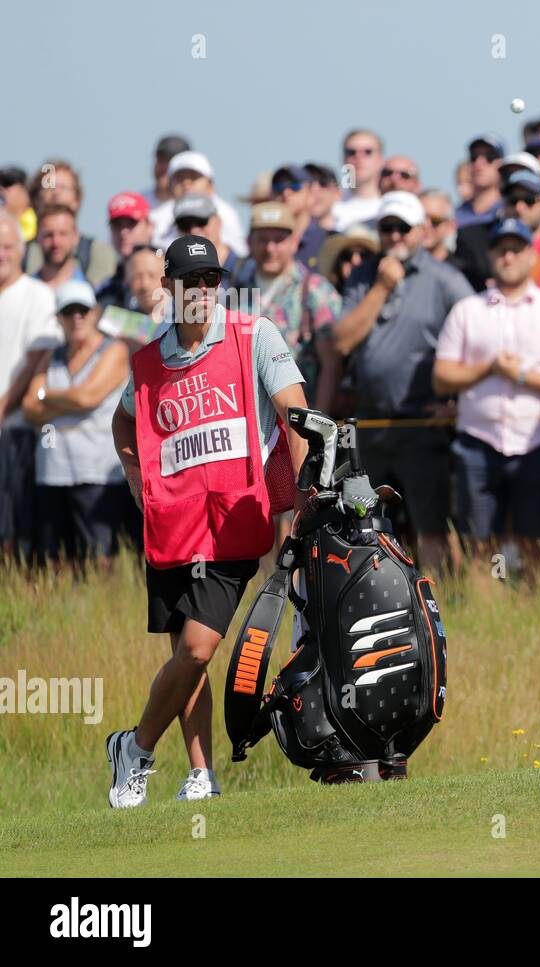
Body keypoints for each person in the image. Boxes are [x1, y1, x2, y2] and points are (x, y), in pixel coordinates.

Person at [106, 234, 310, 807]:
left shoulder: (253, 335)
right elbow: (124, 426)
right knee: (186, 655)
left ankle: (135, 747)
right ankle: (200, 773)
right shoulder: (149, 360)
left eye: (210, 280)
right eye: (189, 280)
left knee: (198, 647)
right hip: (172, 523)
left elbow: (296, 415)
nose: (200, 290)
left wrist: (298, 504)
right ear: (167, 287)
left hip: (232, 520)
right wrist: (134, 478)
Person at [332, 191, 475, 574]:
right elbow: (342, 339)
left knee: (431, 525)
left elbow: (479, 336)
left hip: (422, 424)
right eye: (387, 227)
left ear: (424, 232)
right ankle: (378, 598)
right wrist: (381, 287)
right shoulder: (365, 277)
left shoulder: (445, 279)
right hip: (371, 422)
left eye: (403, 228)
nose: (395, 236)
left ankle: (436, 602)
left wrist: (458, 404)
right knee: (366, 525)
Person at [434, 218, 540, 577]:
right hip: (477, 441)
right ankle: (490, 613)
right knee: (480, 540)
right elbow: (441, 379)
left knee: (536, 537)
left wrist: (516, 374)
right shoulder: (468, 310)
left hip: (536, 441)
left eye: (517, 249)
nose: (509, 256)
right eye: (502, 249)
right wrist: (489, 369)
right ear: (491, 255)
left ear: (532, 256)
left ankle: (531, 610)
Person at [22, 280, 134, 565]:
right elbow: (29, 408)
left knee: (100, 558)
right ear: (58, 317)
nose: (76, 317)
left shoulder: (114, 350)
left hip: (97, 472)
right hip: (52, 470)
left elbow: (88, 397)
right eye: (68, 311)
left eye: (82, 310)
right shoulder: (52, 355)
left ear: (95, 312)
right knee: (56, 559)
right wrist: (64, 401)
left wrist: (47, 396)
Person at [243, 202, 344, 414]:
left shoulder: (314, 289)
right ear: (249, 242)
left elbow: (331, 364)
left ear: (295, 242)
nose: (270, 248)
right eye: (263, 240)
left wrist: (318, 424)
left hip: (301, 420)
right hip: (253, 425)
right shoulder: (236, 294)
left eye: (278, 240)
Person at [0, 212, 60, 559]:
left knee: (12, 529)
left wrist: (3, 408)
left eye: (8, 246)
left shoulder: (37, 294)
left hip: (17, 430)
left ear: (21, 249)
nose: (2, 254)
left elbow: (39, 357)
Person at [149, 151, 247, 257]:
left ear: (210, 183)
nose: (186, 183)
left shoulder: (225, 213)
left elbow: (239, 253)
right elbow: (156, 255)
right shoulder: (159, 216)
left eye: (193, 177)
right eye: (179, 178)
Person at [96, 193, 155, 309]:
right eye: (117, 225)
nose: (123, 232)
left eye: (131, 223)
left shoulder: (171, 271)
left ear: (150, 226)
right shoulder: (107, 289)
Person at [270, 164, 330, 271]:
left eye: (294, 186)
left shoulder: (328, 241)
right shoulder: (266, 243)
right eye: (279, 187)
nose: (286, 193)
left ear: (311, 193)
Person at [331, 128, 385, 231]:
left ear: (381, 159)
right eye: (351, 152)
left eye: (367, 152)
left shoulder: (390, 206)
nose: (358, 157)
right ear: (343, 159)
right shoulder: (330, 205)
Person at [420, 188, 456, 261]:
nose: (426, 225)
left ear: (450, 226)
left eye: (435, 220)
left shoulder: (461, 270)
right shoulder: (400, 268)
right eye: (421, 219)